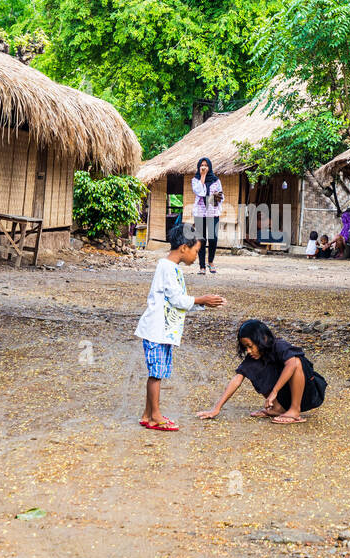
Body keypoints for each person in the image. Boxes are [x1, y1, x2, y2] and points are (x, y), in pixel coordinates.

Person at [135, 222, 225, 431]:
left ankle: (148, 414)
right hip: (157, 330)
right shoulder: (166, 267)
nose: (196, 256)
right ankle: (155, 416)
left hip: (164, 331)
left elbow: (180, 301)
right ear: (184, 247)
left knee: (159, 372)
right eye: (196, 251)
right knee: (156, 374)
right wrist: (202, 299)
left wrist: (202, 304)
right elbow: (177, 299)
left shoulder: (172, 268)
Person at [196, 319, 327, 425]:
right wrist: (216, 408)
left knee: (296, 362)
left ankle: (294, 410)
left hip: (309, 394)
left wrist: (274, 391)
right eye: (245, 347)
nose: (248, 351)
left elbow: (292, 364)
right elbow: (237, 379)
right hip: (283, 398)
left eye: (250, 346)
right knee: (252, 368)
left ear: (263, 339)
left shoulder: (279, 345)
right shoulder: (254, 357)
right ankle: (277, 408)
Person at [191, 157, 223, 275]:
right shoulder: (195, 180)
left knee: (213, 238)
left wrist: (216, 197)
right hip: (200, 212)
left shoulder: (216, 180)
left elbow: (221, 195)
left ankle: (211, 262)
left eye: (206, 165)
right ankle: (202, 266)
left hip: (213, 212)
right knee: (201, 240)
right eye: (201, 165)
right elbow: (199, 192)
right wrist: (202, 177)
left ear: (210, 167)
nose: (203, 167)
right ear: (198, 167)